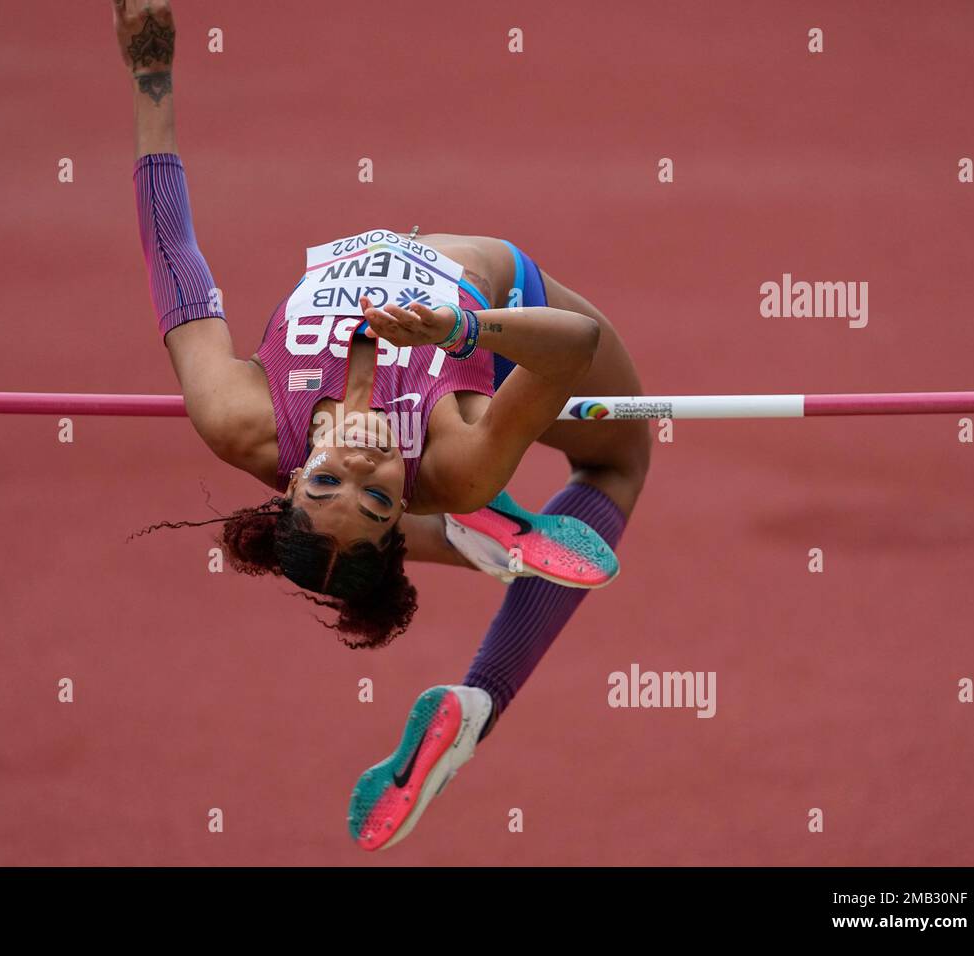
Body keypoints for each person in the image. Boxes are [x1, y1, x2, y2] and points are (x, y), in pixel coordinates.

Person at [112, 0, 651, 850]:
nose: (360, 464)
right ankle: (477, 688)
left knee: (419, 498)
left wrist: (151, 77)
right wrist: (463, 330)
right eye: (375, 499)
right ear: (400, 508)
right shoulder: (450, 459)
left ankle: (487, 558)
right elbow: (575, 347)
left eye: (329, 480)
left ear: (292, 477)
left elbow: (172, 253)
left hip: (438, 394)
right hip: (507, 317)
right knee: (618, 463)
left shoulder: (241, 418)